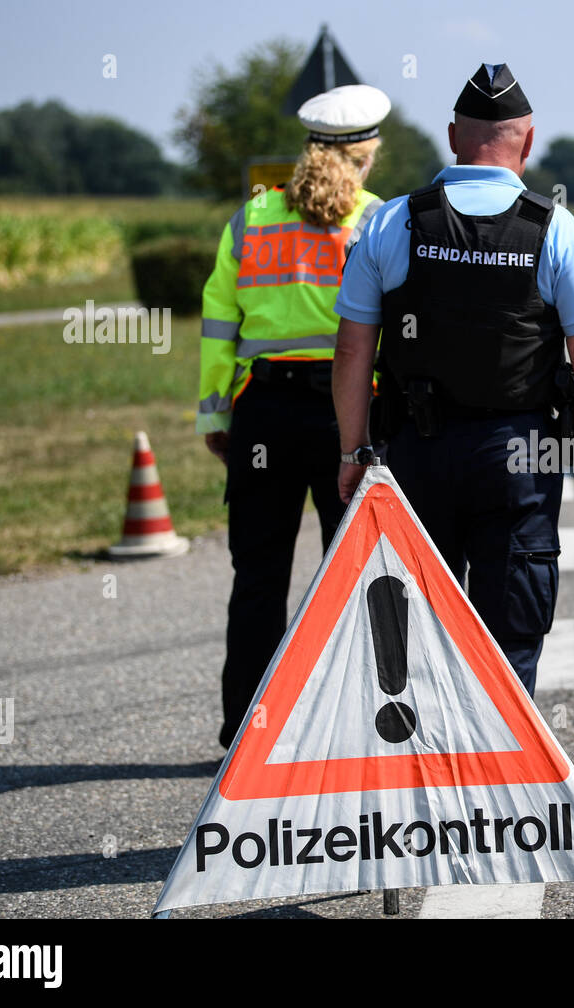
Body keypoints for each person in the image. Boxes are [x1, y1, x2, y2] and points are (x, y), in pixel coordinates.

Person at [331, 62, 574, 696]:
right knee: (511, 633)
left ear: (451, 137)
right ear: (527, 140)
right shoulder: (553, 228)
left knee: (414, 630)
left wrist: (353, 451)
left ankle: (425, 775)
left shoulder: (391, 223)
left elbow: (354, 348)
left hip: (415, 453)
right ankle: (504, 780)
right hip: (519, 455)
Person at [198, 84, 391, 748]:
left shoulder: (251, 220)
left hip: (262, 412)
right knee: (361, 575)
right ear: (366, 157)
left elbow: (219, 321)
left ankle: (248, 736)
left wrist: (213, 415)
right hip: (347, 413)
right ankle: (363, 732)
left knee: (257, 578)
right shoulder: (377, 220)